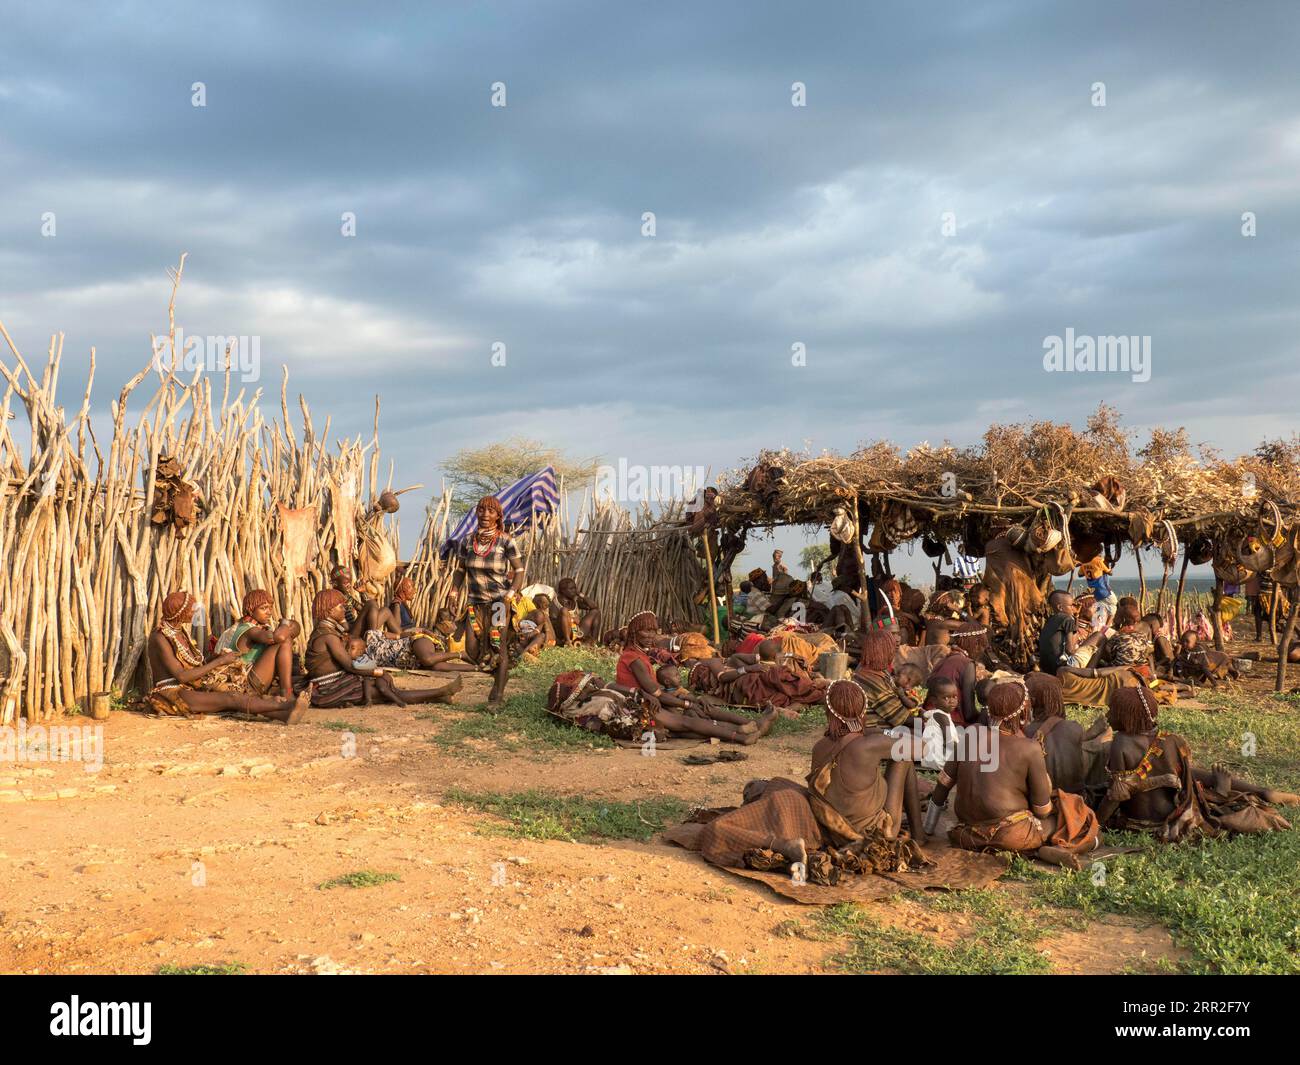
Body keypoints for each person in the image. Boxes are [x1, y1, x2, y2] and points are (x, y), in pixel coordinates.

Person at [692, 680, 929, 874]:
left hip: (834, 831)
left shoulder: (821, 746)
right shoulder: (871, 745)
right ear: (863, 711)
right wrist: (887, 732)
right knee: (904, 754)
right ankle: (919, 834)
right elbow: (923, 748)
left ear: (828, 712)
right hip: (875, 832)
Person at [929, 680, 1102, 868]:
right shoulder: (1029, 748)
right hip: (1011, 835)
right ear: (1023, 712)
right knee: (1078, 815)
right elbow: (1041, 811)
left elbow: (943, 785)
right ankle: (1056, 849)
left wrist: (927, 829)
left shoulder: (971, 733)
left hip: (966, 836)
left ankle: (1037, 849)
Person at [1096, 686, 1298, 840]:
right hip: (1176, 814)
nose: (1107, 715)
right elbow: (1179, 777)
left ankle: (1223, 790)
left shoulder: (1121, 742)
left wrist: (1097, 824)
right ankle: (1261, 791)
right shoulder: (1170, 740)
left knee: (1093, 795)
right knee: (1191, 773)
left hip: (1141, 824)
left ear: (1126, 717)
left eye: (1111, 710)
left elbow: (1117, 795)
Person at [612, 611, 778, 743]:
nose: (651, 636)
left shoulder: (639, 655)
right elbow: (655, 693)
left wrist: (689, 699)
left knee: (701, 710)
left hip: (650, 701)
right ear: (634, 632)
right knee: (688, 720)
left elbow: (655, 692)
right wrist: (687, 702)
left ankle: (749, 725)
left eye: (654, 631)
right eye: (646, 631)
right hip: (639, 707)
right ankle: (741, 735)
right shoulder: (633, 658)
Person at [146, 591, 310, 722]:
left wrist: (215, 658)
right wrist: (221, 660)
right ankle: (286, 704)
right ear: (180, 612)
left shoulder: (179, 632)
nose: (195, 611)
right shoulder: (160, 637)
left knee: (231, 701)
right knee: (231, 698)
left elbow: (194, 665)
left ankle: (284, 714)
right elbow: (181, 676)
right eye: (191, 609)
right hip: (172, 693)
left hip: (191, 687)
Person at [304, 589, 461, 707]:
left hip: (336, 681)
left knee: (384, 688)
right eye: (340, 607)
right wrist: (377, 671)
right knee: (389, 692)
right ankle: (441, 692)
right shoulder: (328, 637)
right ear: (330, 610)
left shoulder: (324, 631)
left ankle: (440, 697)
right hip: (330, 688)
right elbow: (350, 666)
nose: (344, 609)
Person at [451, 495, 526, 702]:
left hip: (499, 603)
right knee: (472, 650)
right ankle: (499, 676)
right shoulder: (467, 540)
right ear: (477, 512)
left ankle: (498, 695)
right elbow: (460, 569)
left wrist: (509, 596)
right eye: (482, 510)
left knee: (498, 646)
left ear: (497, 516)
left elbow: (519, 570)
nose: (485, 514)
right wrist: (454, 591)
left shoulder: (506, 540)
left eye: (490, 511)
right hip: (475, 603)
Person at [360, 577, 478, 672]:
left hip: (413, 640)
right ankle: (469, 662)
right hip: (409, 637)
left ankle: (464, 658)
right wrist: (410, 633)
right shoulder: (396, 605)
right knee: (432, 664)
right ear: (403, 590)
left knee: (429, 660)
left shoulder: (400, 605)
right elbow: (397, 628)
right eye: (411, 587)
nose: (415, 590)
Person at [213, 589, 301, 698]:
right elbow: (279, 637)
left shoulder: (256, 627)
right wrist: (285, 623)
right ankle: (287, 692)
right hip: (245, 686)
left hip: (254, 680)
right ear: (250, 610)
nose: (269, 612)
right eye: (263, 608)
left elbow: (295, 630)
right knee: (284, 641)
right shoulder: (248, 630)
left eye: (270, 608)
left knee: (302, 680)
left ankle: (285, 690)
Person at [925, 623, 987, 726]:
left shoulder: (946, 658)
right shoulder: (967, 664)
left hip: (929, 716)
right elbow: (969, 714)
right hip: (950, 722)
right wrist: (985, 714)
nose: (982, 651)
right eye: (983, 646)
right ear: (976, 644)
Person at [850, 631, 913, 729]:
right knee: (917, 737)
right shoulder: (875, 683)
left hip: (870, 731)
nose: (897, 639)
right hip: (878, 734)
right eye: (891, 650)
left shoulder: (865, 671)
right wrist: (925, 721)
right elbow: (902, 719)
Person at [550, 577, 602, 646]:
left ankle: (593, 641)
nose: (574, 591)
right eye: (571, 589)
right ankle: (568, 641)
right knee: (564, 610)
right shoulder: (556, 602)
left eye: (575, 588)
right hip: (563, 632)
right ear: (563, 590)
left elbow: (594, 606)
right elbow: (553, 622)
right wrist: (571, 620)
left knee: (596, 612)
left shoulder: (575, 601)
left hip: (576, 630)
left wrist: (580, 594)